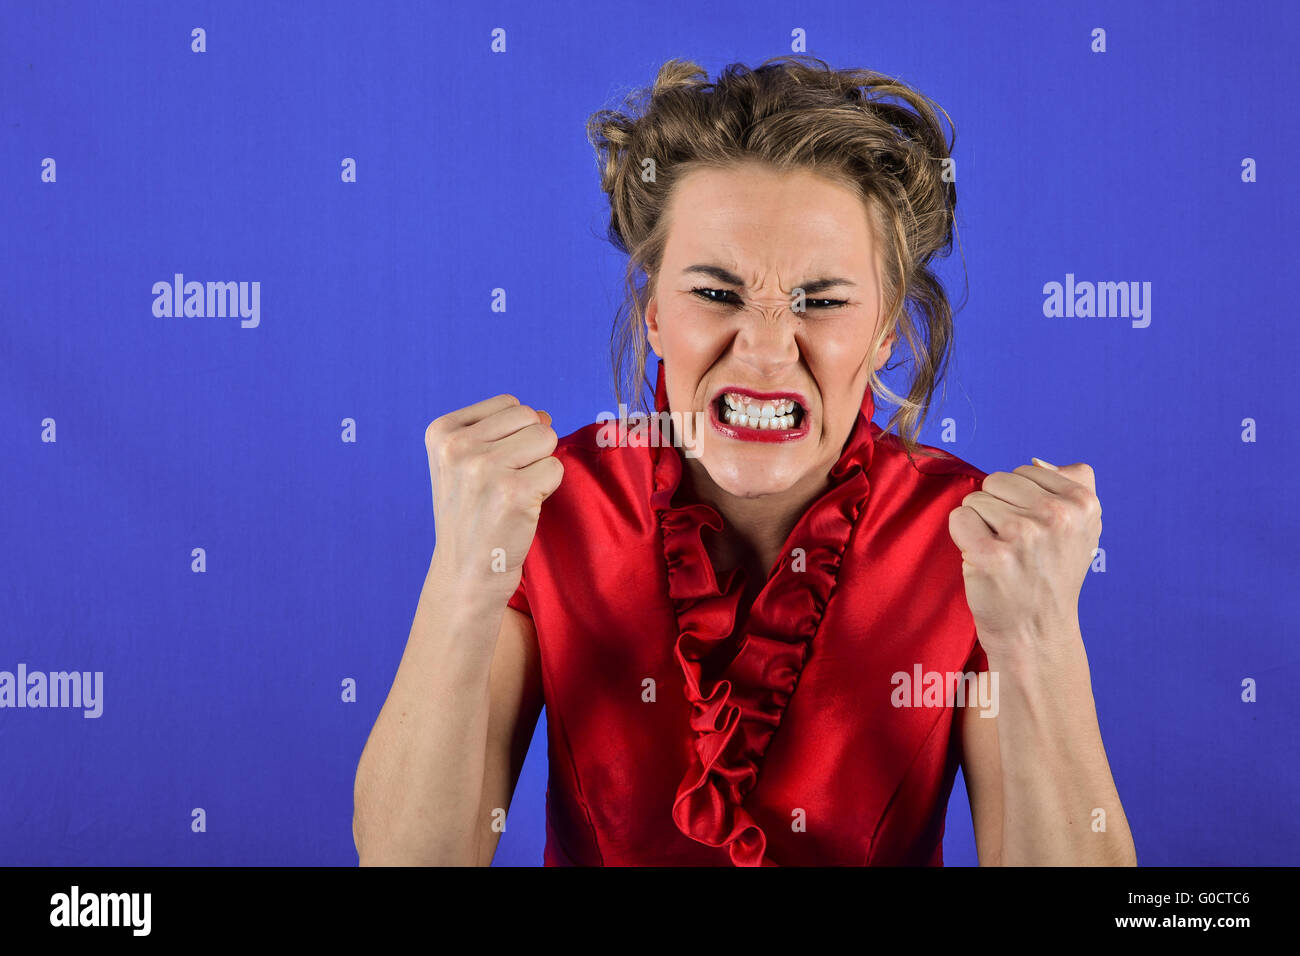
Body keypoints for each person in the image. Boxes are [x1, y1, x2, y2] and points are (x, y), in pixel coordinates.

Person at [352, 54, 1136, 866]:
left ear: (887, 331)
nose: (764, 350)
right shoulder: (544, 510)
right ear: (654, 313)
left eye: (823, 301)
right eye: (717, 294)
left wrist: (1041, 639)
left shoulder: (977, 544)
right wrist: (459, 579)